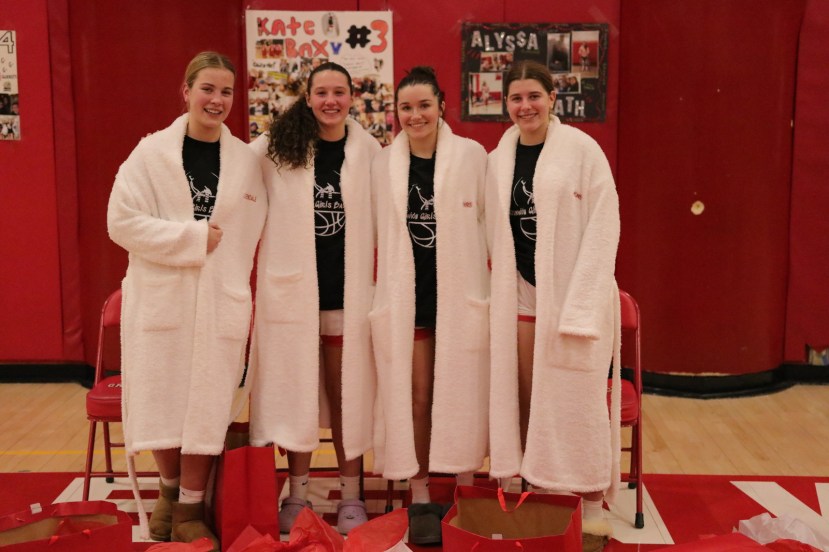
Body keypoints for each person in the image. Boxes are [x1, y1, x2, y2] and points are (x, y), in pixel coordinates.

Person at [107, 51, 267, 550]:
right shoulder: (150, 154)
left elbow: (255, 224)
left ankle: (193, 507)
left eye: (225, 92)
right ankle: (169, 496)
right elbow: (121, 222)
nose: (216, 100)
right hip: (162, 300)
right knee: (163, 400)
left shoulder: (245, 160)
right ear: (186, 91)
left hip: (220, 299)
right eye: (208, 89)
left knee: (207, 405)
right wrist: (193, 239)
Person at [486, 60, 621, 552]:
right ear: (506, 105)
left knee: (577, 400)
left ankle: (587, 503)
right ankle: (537, 492)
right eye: (517, 98)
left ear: (552, 99)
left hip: (571, 300)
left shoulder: (583, 151)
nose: (526, 107)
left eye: (534, 97)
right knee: (526, 397)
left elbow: (606, 225)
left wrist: (582, 304)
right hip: (521, 294)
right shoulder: (499, 156)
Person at [248, 62, 380, 535]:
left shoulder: (368, 151)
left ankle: (351, 494)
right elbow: (235, 181)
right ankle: (297, 492)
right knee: (299, 394)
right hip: (294, 298)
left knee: (348, 399)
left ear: (352, 97)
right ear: (307, 98)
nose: (330, 101)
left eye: (339, 92)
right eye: (321, 92)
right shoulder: (276, 148)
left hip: (347, 298)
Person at [370, 66, 489, 546]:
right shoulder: (384, 163)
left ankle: (465, 489)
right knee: (419, 397)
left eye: (423, 105)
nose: (414, 115)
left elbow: (493, 227)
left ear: (442, 104)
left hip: (460, 297)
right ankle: (420, 494)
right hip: (408, 299)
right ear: (395, 112)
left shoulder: (473, 157)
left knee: (462, 392)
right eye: (405, 107)